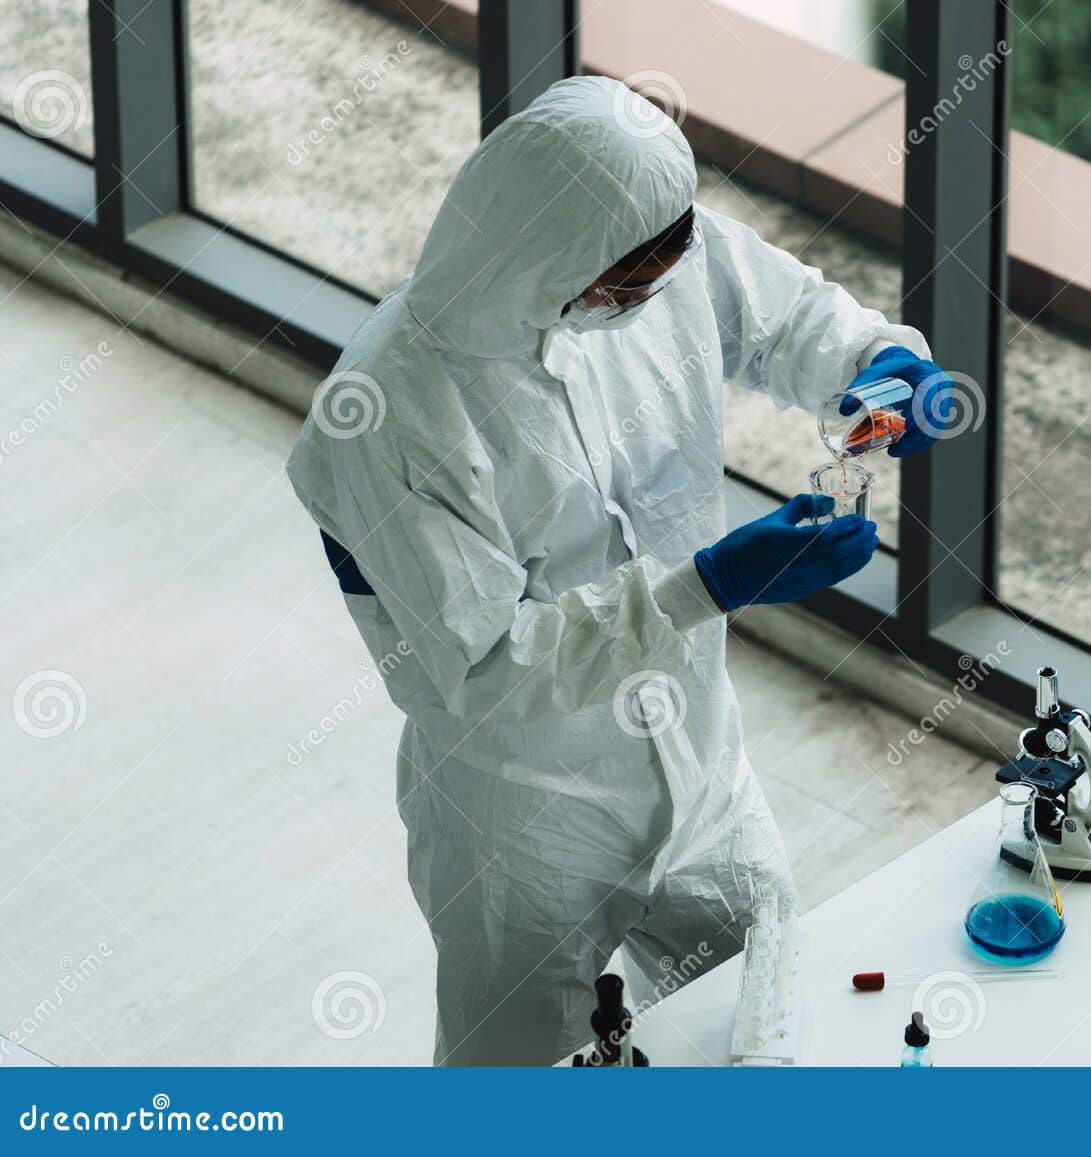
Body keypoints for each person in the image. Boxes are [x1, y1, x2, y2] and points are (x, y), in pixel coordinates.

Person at [286, 75, 952, 1065]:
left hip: (699, 766)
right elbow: (488, 665)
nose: (642, 305)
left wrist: (877, 363)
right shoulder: (388, 411)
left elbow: (784, 320)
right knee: (519, 1081)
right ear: (546, 257)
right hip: (524, 822)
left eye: (654, 281)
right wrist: (707, 584)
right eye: (621, 290)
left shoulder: (658, 250)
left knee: (767, 1021)